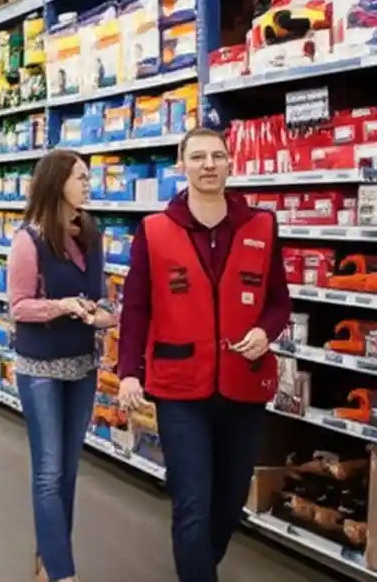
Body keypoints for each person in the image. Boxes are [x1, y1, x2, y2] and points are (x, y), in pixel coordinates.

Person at [117, 127, 291, 582]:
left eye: (217, 156)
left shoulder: (262, 225)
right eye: (198, 157)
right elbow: (135, 308)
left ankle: (198, 569)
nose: (208, 164)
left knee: (229, 502)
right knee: (192, 502)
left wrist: (265, 331)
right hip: (180, 387)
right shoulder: (155, 231)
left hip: (243, 382)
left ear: (231, 163)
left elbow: (279, 301)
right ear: (183, 165)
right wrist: (129, 372)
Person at [7, 149, 117, 582]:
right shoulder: (27, 239)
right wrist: (62, 306)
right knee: (50, 470)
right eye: (81, 177)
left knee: (68, 469)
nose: (88, 183)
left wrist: (106, 314)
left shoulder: (91, 233)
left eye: (89, 177)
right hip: (40, 370)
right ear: (57, 183)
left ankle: (47, 560)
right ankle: (62, 573)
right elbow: (19, 306)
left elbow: (101, 295)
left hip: (82, 366)